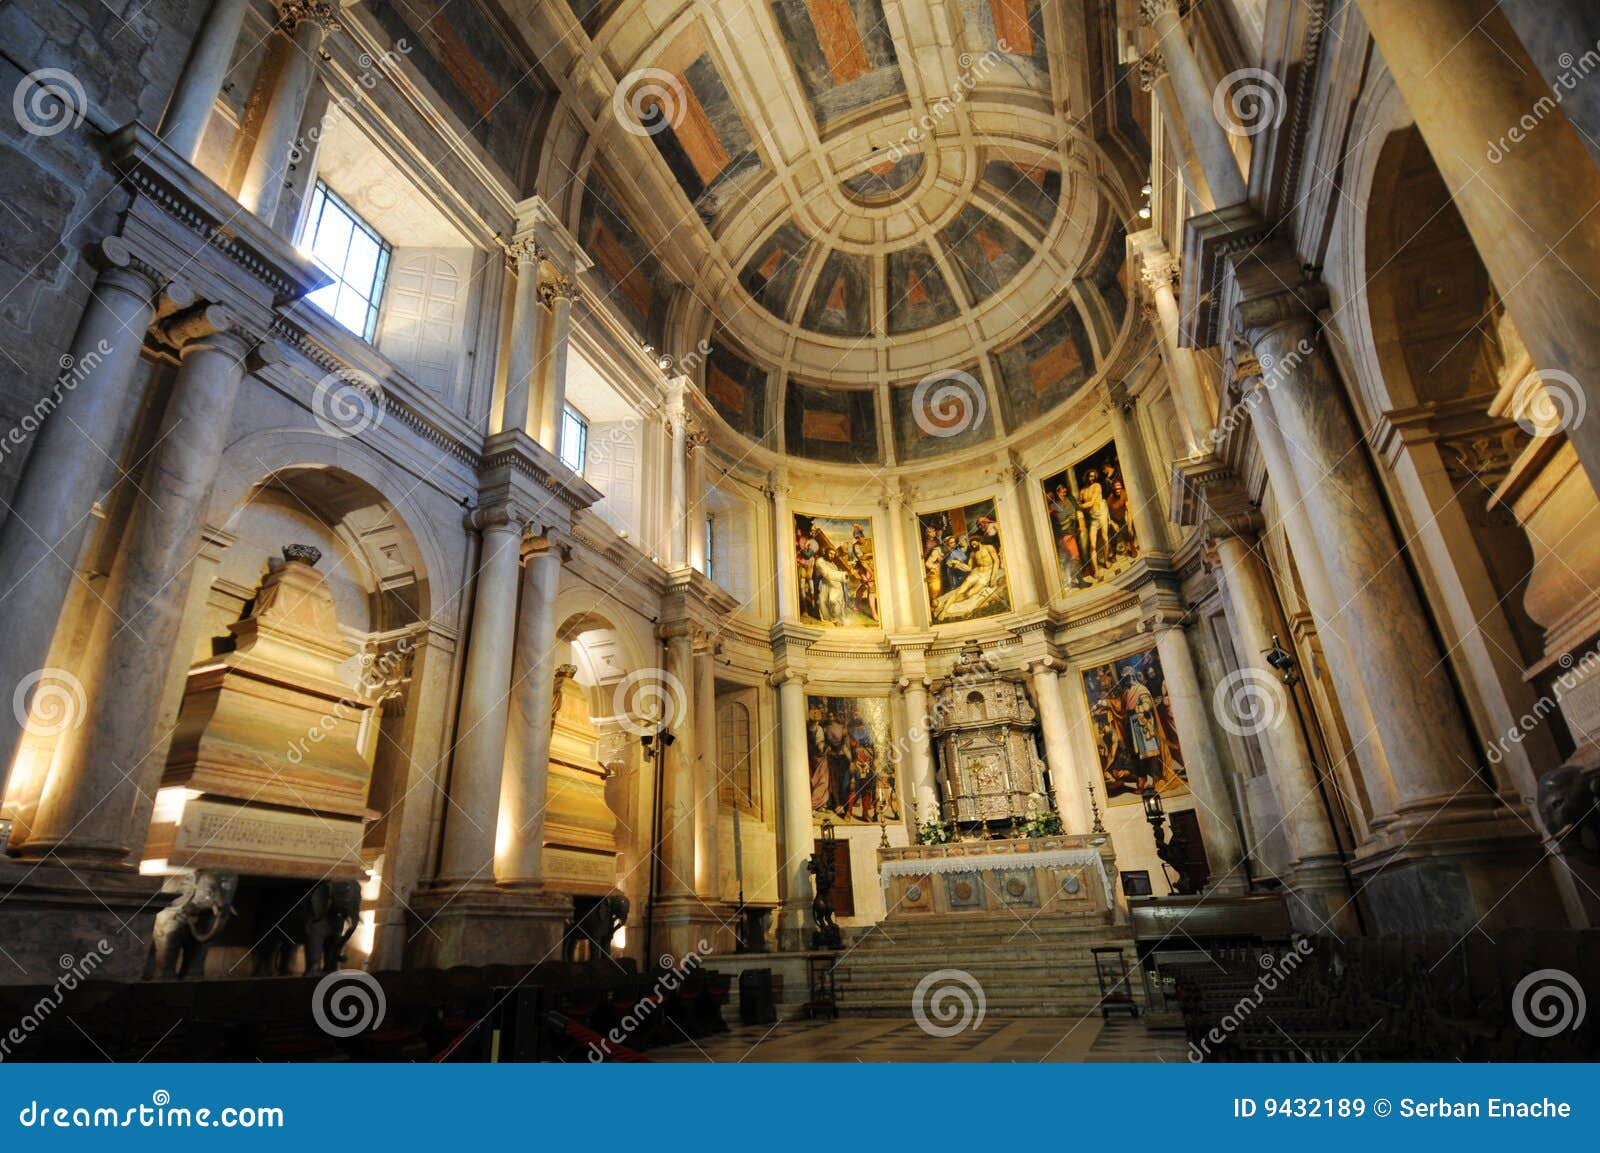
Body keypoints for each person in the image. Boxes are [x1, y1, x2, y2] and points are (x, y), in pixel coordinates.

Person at [1048, 482, 1085, 588]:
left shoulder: (1070, 499)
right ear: (1057, 492)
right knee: (1075, 556)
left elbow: (1078, 510)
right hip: (1064, 535)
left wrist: (1081, 523)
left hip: (1074, 531)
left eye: (1064, 489)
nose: (1063, 491)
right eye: (1061, 490)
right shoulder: (1052, 506)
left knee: (1074, 556)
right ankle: (1080, 581)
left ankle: (1074, 579)